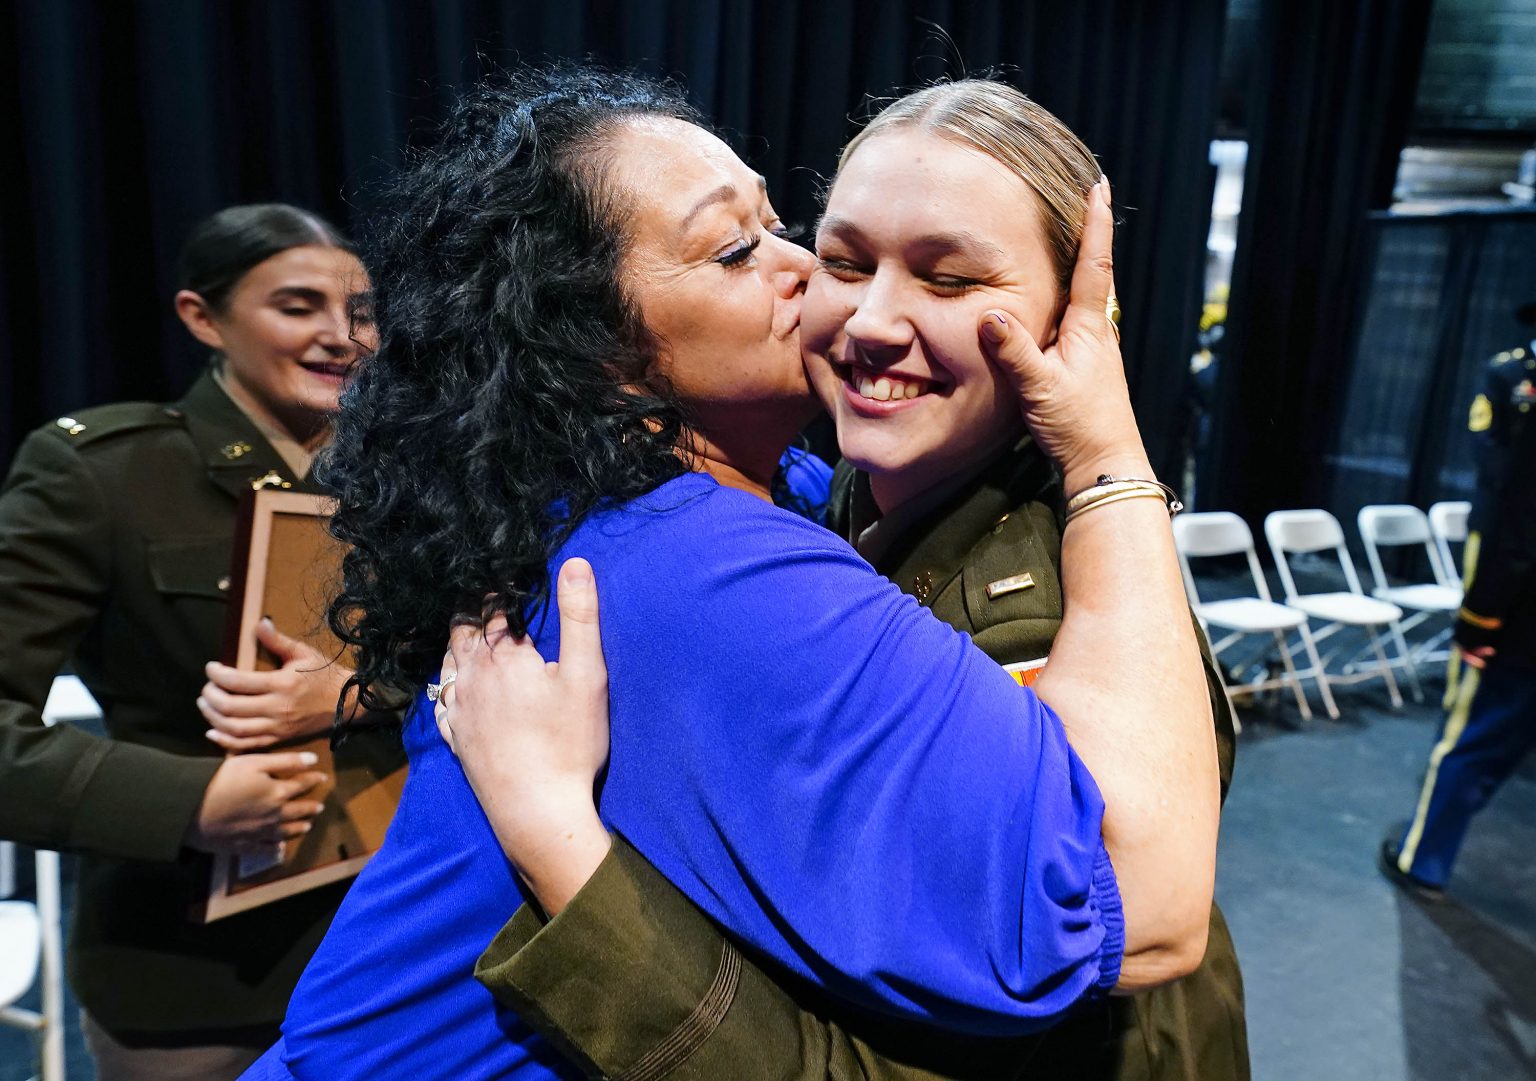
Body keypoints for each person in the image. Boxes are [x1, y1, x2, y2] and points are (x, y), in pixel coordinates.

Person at [243, 67, 1218, 1081]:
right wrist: (1110, 460)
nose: (806, 273)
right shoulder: (709, 567)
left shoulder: (733, 492)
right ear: (591, 343)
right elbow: (1134, 904)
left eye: (785, 227)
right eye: (739, 249)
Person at [0, 203, 380, 1080]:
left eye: (360, 312)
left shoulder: (405, 479)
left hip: (389, 952)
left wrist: (354, 693)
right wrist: (190, 801)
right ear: (201, 318)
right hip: (196, 981)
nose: (339, 336)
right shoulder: (104, 472)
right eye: (296, 307)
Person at [1381, 299, 1536, 898]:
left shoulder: (1519, 390)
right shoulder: (1512, 375)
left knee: (1469, 734)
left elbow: (1512, 514)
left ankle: (1423, 859)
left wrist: (1479, 621)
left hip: (1520, 611)